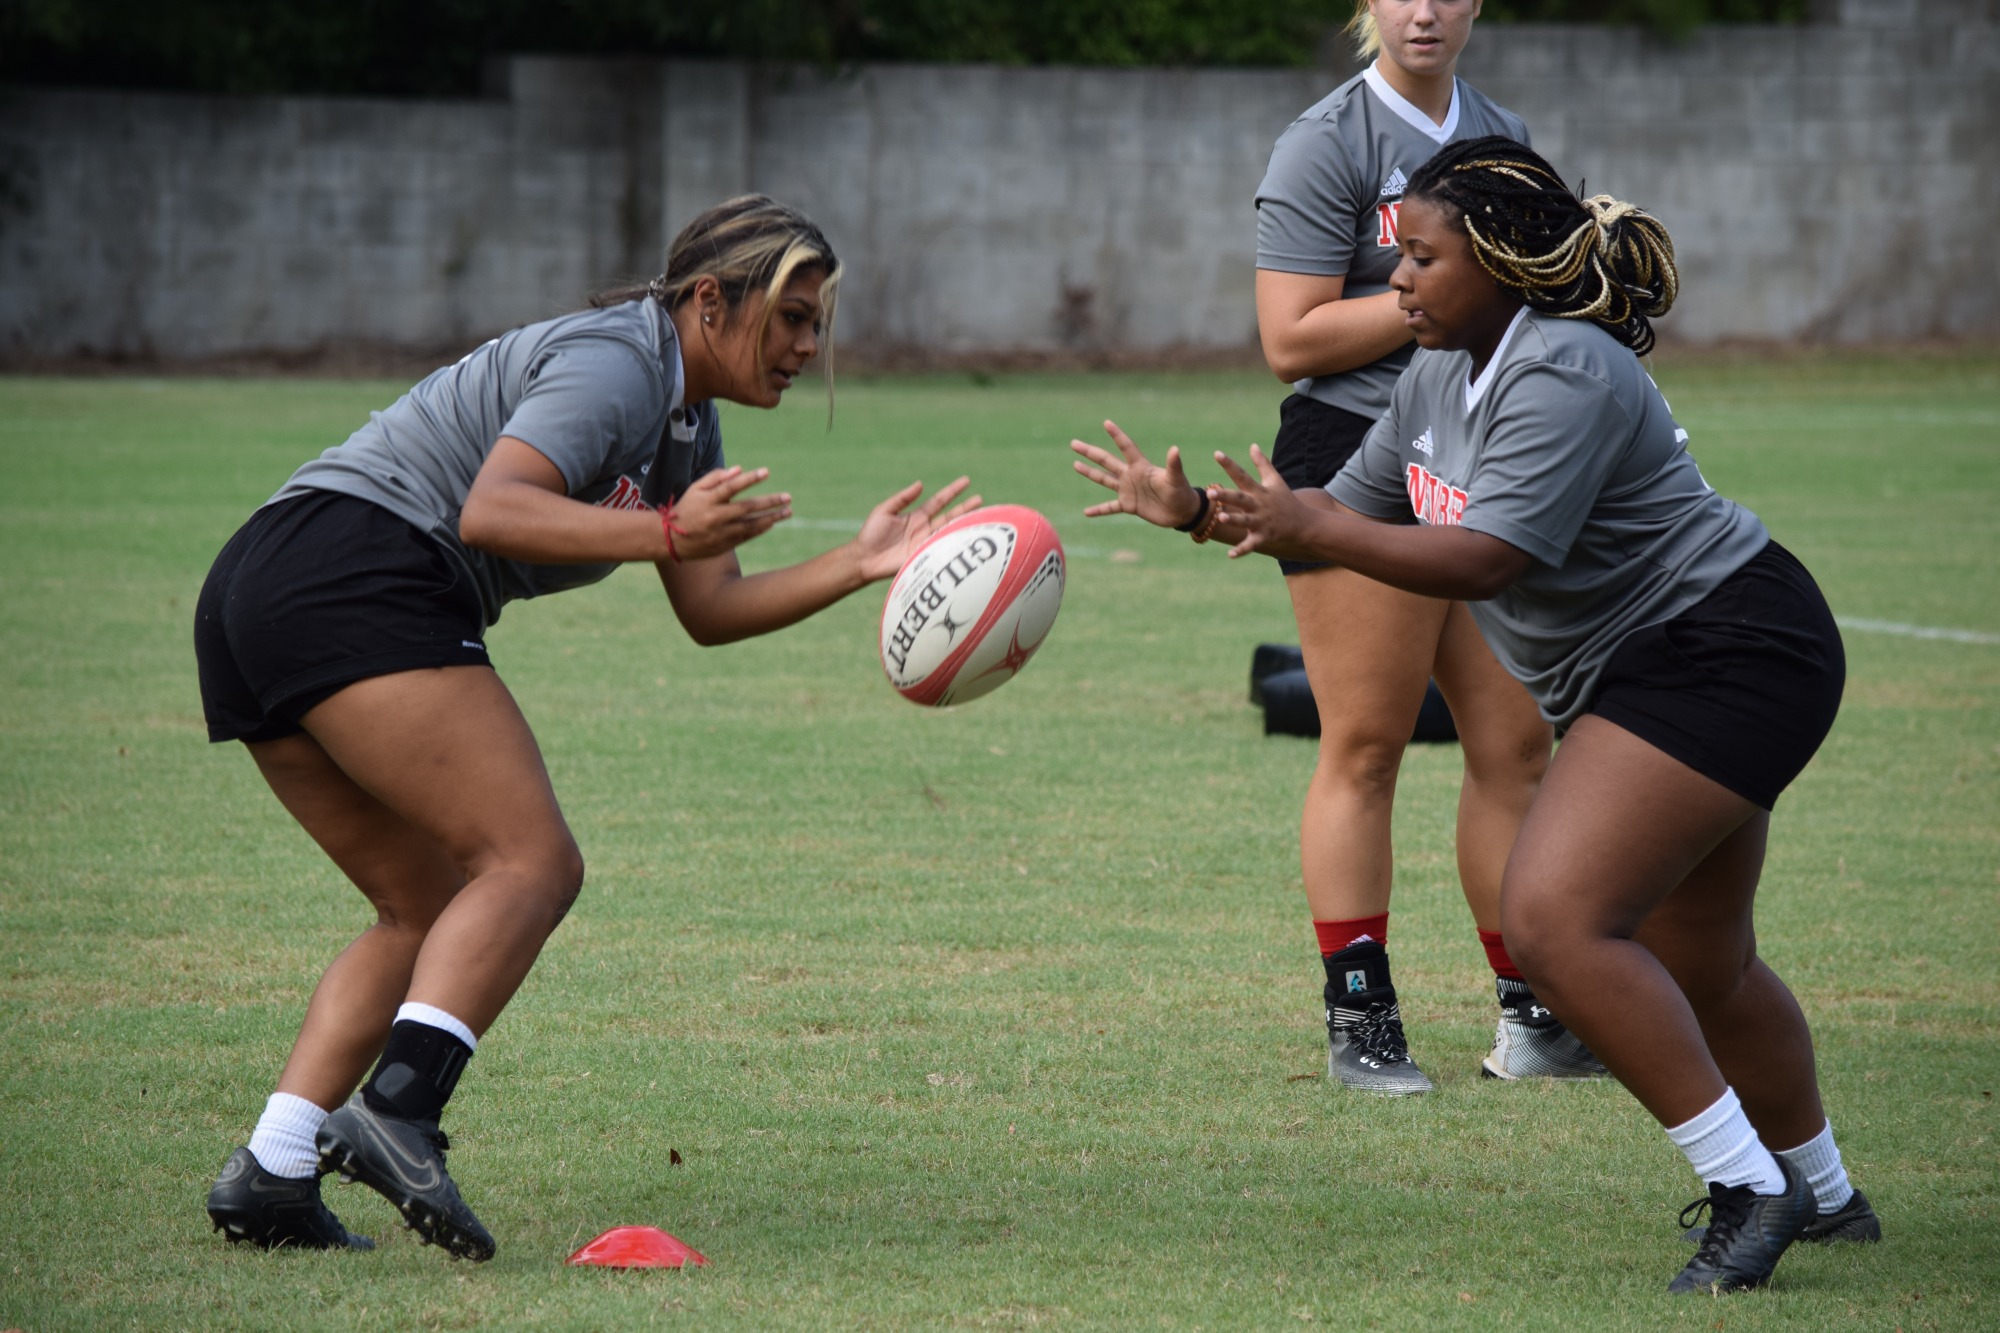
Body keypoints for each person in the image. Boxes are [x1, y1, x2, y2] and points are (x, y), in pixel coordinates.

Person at [1075, 136, 1877, 1294]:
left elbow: (1485, 557)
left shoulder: (1564, 367)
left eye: (1420, 259)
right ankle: (1828, 1192)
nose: (1392, 281)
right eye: (1394, 257)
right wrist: (1200, 510)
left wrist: (1315, 530)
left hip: (1724, 646)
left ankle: (1750, 1185)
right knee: (1697, 957)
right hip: (1658, 665)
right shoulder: (1430, 376)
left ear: (1502, 263)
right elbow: (1335, 513)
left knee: (1551, 921)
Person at [197, 195, 979, 1258]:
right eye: (791, 316)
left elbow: (709, 609)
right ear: (710, 299)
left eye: (816, 324)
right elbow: (490, 508)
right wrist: (661, 527)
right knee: (531, 862)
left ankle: (274, 1170)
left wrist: (860, 563)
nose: (807, 345)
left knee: (423, 908)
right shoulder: (621, 364)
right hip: (352, 572)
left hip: (270, 586)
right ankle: (399, 1110)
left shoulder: (687, 423)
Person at [1252, 0, 1596, 1092]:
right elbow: (1288, 336)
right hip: (1351, 447)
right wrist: (1441, 290)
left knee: (1514, 745)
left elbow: (1538, 308)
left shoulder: (1503, 138)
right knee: (1365, 744)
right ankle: (1361, 1017)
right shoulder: (1325, 140)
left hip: (1483, 450)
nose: (1424, 9)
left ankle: (1532, 1009)